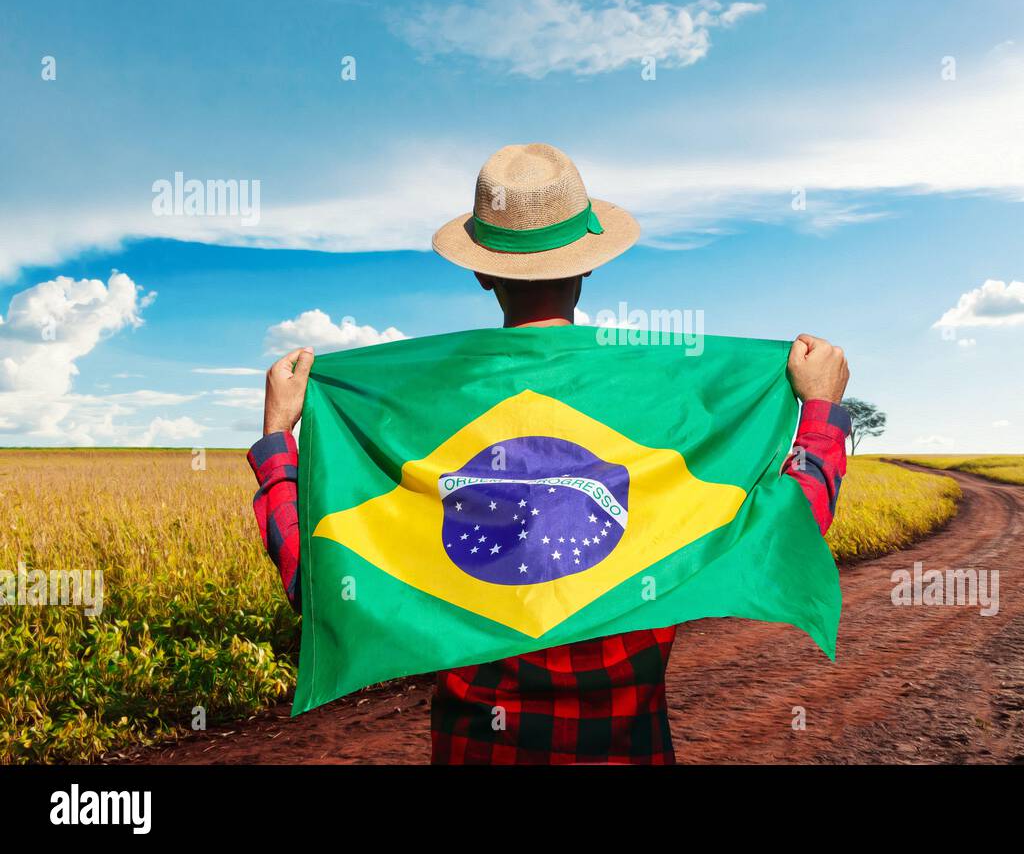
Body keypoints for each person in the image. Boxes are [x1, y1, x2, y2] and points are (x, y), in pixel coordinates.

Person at [249, 143, 852, 764]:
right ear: (588, 266)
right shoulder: (658, 410)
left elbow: (320, 581)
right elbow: (784, 531)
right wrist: (820, 416)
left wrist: (278, 441)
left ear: (481, 272)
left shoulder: (428, 418)